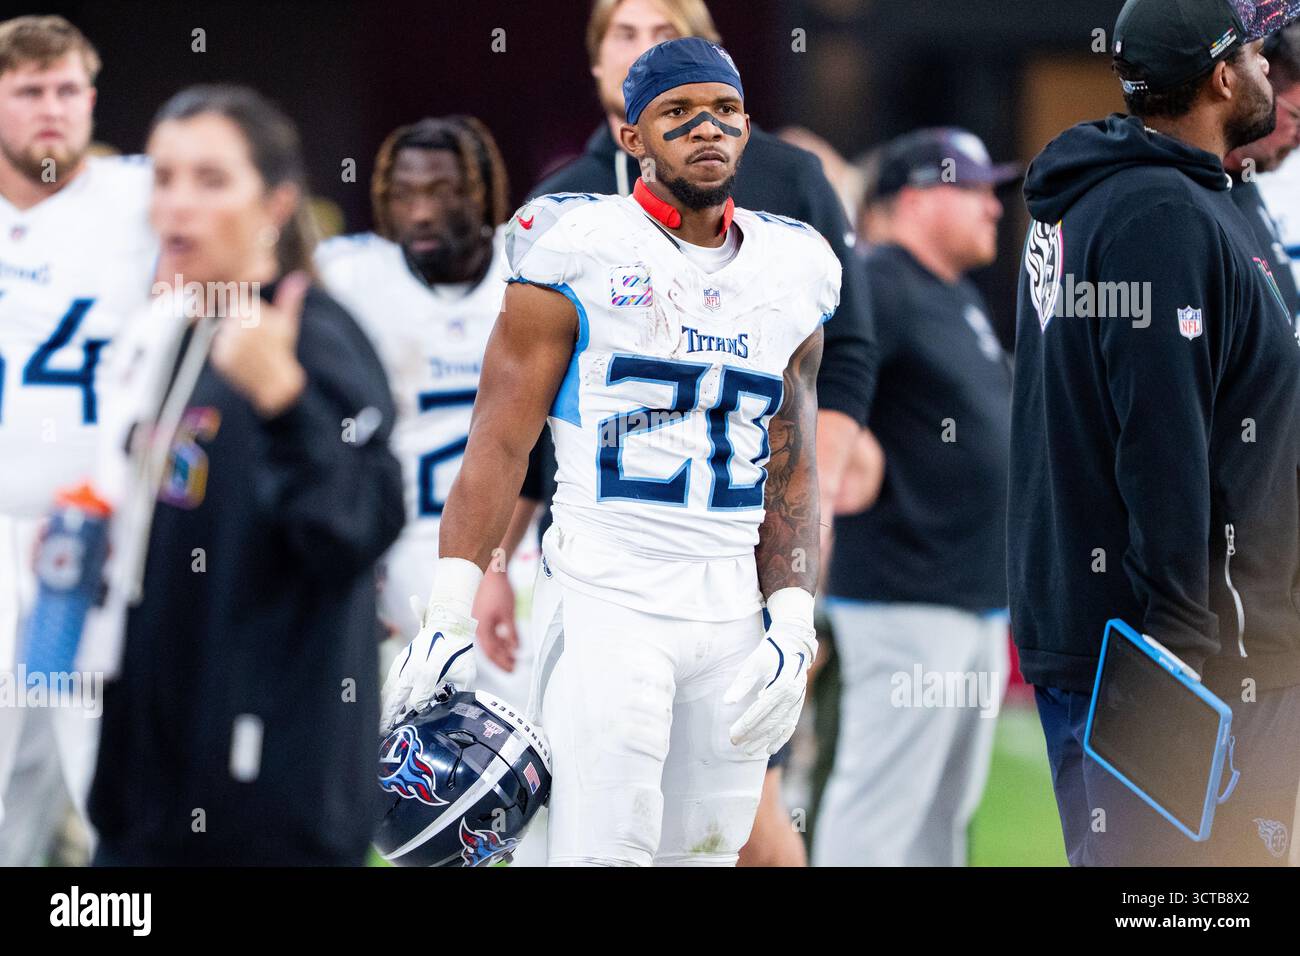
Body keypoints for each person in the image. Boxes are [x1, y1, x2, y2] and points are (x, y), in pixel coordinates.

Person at [380, 37, 839, 867]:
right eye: (678, 113)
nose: (707, 128)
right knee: (604, 853)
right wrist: (449, 607)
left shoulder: (794, 265)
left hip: (733, 604)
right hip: (608, 597)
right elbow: (500, 440)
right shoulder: (576, 246)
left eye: (726, 110)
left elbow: (792, 465)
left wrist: (796, 618)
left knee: (702, 854)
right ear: (632, 138)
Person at [504, 0, 875, 868]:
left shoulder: (792, 211)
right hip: (607, 567)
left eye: (662, 31)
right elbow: (516, 421)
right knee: (604, 832)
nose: (704, 126)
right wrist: (482, 571)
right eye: (625, 36)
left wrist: (795, 592)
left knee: (719, 839)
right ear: (620, 101)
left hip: (735, 563)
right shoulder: (562, 220)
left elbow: (819, 395)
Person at [1011, 0, 1300, 866]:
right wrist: (1178, 655)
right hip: (1190, 656)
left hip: (1166, 643)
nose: (1268, 74)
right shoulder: (1156, 213)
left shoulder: (1145, 196)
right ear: (1220, 78)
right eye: (1255, 55)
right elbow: (1160, 440)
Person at [85, 85, 405, 865]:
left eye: (211, 179)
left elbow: (358, 526)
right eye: (162, 179)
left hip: (267, 806)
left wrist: (286, 401)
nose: (176, 205)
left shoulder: (311, 334)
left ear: (276, 203)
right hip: (159, 791)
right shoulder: (186, 334)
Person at [813, 128, 1018, 867]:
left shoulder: (951, 294)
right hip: (905, 594)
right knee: (881, 808)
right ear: (917, 197)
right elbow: (801, 387)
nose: (994, 207)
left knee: (942, 817)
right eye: (974, 188)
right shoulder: (878, 280)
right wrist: (846, 455)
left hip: (968, 596)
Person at [0, 14, 155, 864]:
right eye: (28, 91)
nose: (51, 109)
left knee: (106, 772)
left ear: (92, 99)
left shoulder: (139, 197)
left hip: (96, 527)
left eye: (67, 90)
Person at [315, 116, 538, 704]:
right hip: (403, 538)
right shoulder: (351, 278)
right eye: (403, 195)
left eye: (441, 192)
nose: (419, 213)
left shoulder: (532, 273)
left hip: (518, 542)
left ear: (483, 194)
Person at [1224, 25, 1300, 326]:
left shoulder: (1246, 182)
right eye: (1295, 116)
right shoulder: (1191, 197)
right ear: (1259, 92)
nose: (1298, 137)